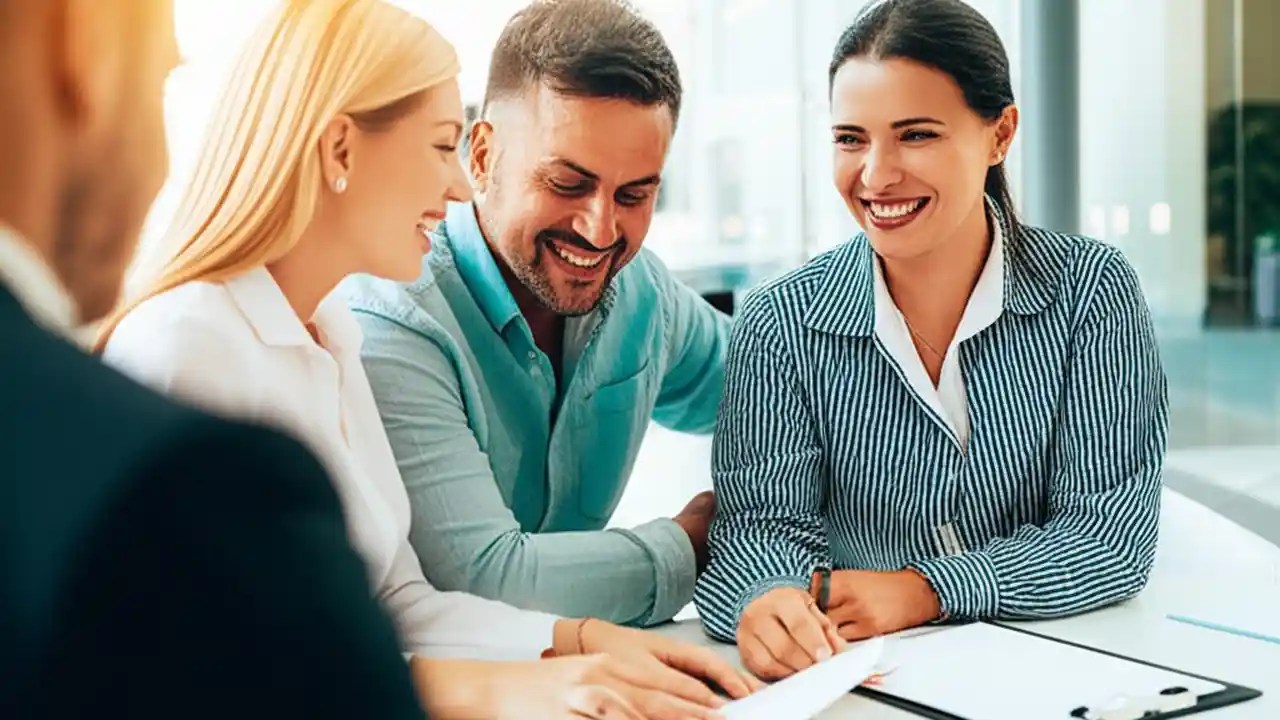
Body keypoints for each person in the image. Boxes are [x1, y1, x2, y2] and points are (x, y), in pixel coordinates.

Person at [96, 2, 755, 718]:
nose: (456, 189)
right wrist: (518, 683)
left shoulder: (329, 334)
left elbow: (400, 602)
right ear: (342, 150)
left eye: (633, 194)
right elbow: (219, 670)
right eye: (442, 147)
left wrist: (586, 640)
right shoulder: (186, 350)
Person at [694, 0, 1169, 681]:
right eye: (851, 138)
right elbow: (759, 531)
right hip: (866, 680)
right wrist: (766, 598)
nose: (877, 175)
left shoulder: (1092, 294)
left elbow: (1108, 541)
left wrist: (926, 589)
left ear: (999, 134)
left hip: (1062, 672)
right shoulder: (780, 322)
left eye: (915, 135)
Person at [2, 0, 422, 717]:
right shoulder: (193, 489)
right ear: (86, 41)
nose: (166, 165)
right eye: (165, 78)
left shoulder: (335, 334)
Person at [342, 0, 730, 626]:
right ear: (483, 157)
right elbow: (482, 582)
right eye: (567, 184)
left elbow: (786, 389)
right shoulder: (393, 316)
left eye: (634, 194)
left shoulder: (641, 294)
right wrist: (693, 543)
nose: (601, 230)